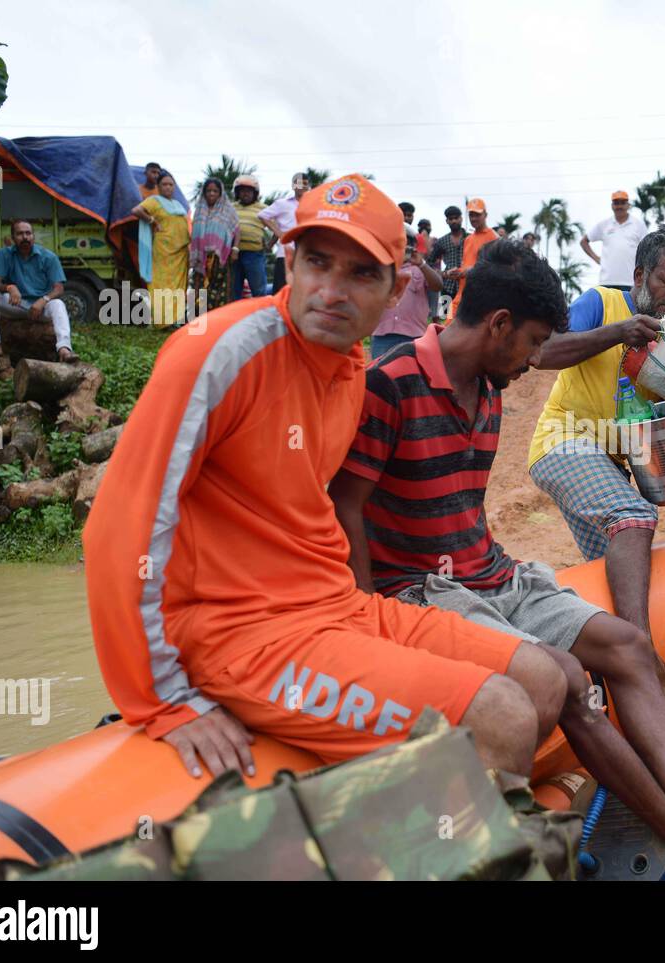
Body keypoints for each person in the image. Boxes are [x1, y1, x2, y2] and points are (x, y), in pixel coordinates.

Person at [84, 175, 579, 804]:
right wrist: (164, 701)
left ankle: (432, 823)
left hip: (335, 604)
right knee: (503, 715)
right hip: (237, 630)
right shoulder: (217, 354)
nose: (330, 290)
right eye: (316, 262)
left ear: (397, 289)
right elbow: (120, 530)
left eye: (361, 274)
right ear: (288, 260)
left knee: (541, 679)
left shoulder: (351, 368)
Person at [330, 238, 665, 880]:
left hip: (495, 575)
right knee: (569, 684)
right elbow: (345, 504)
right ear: (499, 326)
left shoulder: (489, 388)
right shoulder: (390, 385)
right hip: (422, 590)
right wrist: (363, 617)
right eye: (531, 345)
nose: (534, 362)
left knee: (627, 648)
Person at [529, 225, 665, 656]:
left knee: (618, 568)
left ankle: (602, 669)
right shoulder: (600, 303)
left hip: (610, 462)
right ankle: (640, 652)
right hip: (562, 441)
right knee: (634, 514)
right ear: (640, 274)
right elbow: (543, 353)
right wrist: (617, 331)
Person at [0, 220, 76, 362]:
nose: (25, 237)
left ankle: (64, 349)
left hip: (40, 309)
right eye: (20, 234)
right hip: (15, 304)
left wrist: (44, 300)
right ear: (13, 237)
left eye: (28, 233)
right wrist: (9, 287)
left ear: (33, 236)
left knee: (58, 304)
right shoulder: (4, 254)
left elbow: (59, 288)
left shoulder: (48, 257)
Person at [369, 227, 442, 359]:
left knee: (412, 375)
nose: (403, 248)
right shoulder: (383, 268)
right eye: (399, 243)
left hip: (414, 335)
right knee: (379, 376)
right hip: (382, 336)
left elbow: (437, 286)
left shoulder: (421, 269)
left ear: (414, 247)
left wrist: (422, 264)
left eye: (408, 244)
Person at [130, 172, 190, 328]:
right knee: (162, 285)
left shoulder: (178, 205)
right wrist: (152, 221)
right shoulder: (154, 201)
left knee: (178, 286)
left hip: (181, 253)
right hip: (164, 251)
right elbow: (136, 210)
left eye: (171, 184)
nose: (168, 187)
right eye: (165, 184)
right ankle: (161, 320)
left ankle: (175, 319)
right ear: (158, 187)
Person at [189, 178, 240, 313]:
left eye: (215, 191)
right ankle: (196, 318)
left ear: (220, 193)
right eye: (208, 191)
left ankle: (218, 319)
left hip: (220, 257)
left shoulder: (228, 210)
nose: (211, 194)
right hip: (201, 258)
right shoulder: (199, 210)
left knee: (220, 288)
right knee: (198, 286)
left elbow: (236, 230)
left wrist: (235, 249)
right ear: (204, 193)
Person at [580, 190, 648, 291]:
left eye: (622, 203)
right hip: (606, 282)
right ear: (612, 206)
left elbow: (647, 248)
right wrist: (597, 259)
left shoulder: (638, 225)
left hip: (630, 281)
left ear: (628, 205)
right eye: (616, 203)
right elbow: (584, 241)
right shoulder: (604, 224)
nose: (619, 206)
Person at [446, 198, 497, 320]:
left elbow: (496, 268)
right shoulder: (468, 239)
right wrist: (456, 272)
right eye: (471, 215)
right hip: (461, 294)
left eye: (477, 215)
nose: (473, 218)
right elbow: (467, 265)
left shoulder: (493, 237)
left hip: (480, 297)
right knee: (445, 326)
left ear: (485, 215)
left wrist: (471, 270)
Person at [260, 173, 309, 294]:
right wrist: (279, 233)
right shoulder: (282, 204)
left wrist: (271, 242)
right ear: (293, 186)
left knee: (301, 291)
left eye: (304, 183)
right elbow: (262, 215)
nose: (301, 186)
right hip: (285, 254)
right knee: (281, 291)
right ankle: (203, 310)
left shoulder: (313, 205)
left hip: (306, 254)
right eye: (298, 183)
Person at [231, 174, 269, 301]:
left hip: (254, 254)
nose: (245, 193)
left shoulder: (263, 208)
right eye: (242, 191)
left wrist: (271, 244)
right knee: (233, 291)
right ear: (237, 193)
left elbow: (279, 225)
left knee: (259, 291)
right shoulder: (231, 207)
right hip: (233, 255)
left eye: (248, 191)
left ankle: (262, 318)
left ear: (255, 193)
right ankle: (234, 319)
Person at [427, 205, 467, 321]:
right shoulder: (442, 241)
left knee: (466, 320)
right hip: (447, 287)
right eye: (451, 219)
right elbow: (429, 263)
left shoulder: (469, 238)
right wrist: (443, 274)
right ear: (447, 221)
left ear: (461, 218)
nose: (454, 221)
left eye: (456, 218)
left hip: (467, 286)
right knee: (445, 320)